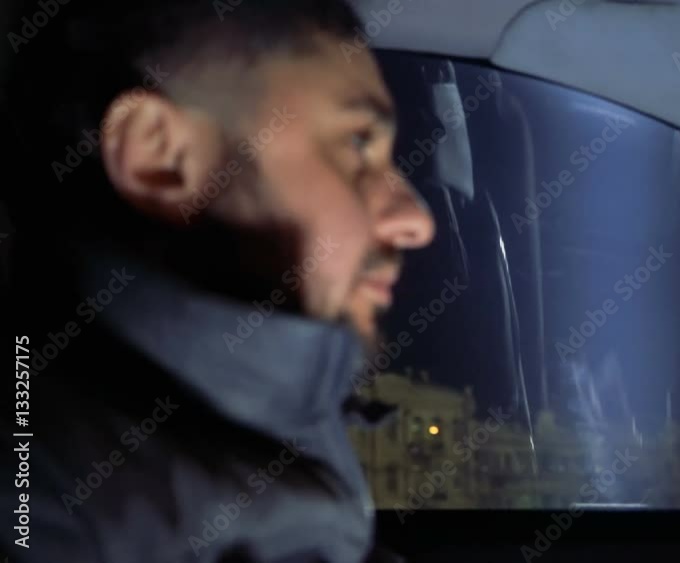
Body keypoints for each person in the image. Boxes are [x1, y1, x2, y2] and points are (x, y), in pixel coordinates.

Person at [3, 0, 434, 561]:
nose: (417, 220)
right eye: (358, 144)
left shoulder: (245, 426)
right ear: (160, 154)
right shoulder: (55, 514)